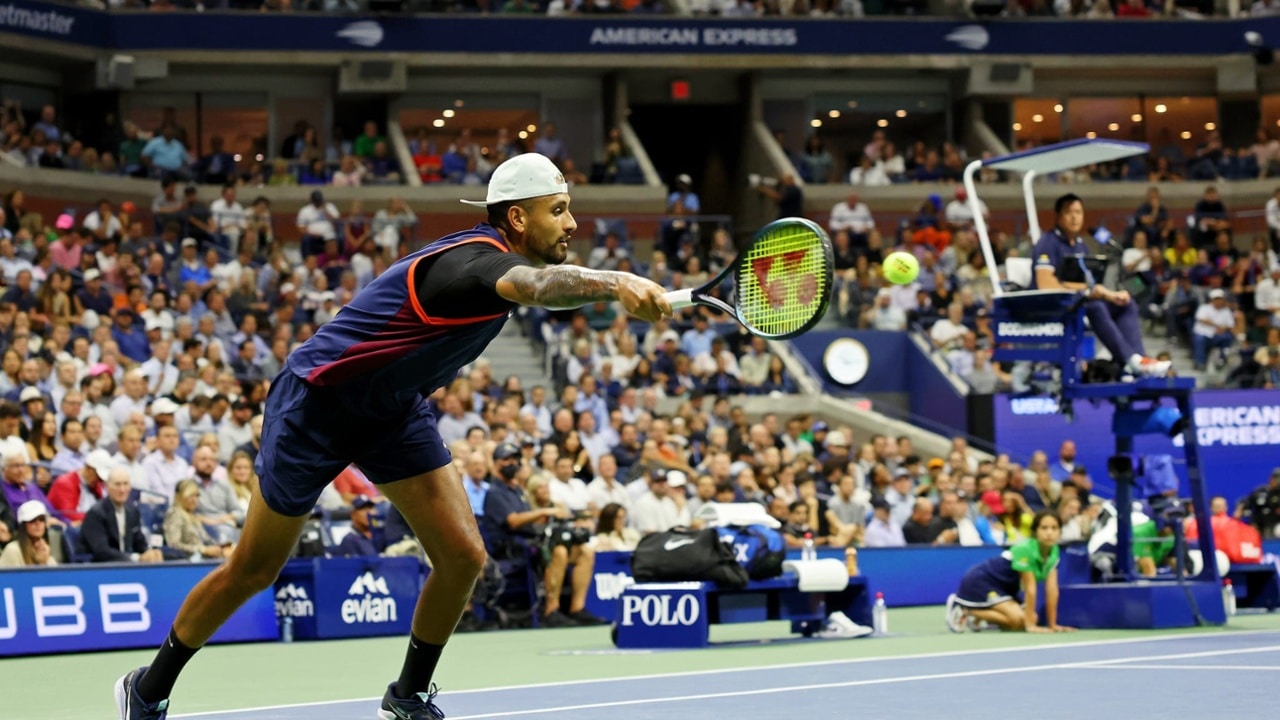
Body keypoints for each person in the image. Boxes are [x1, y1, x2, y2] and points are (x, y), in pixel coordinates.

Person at [115, 152, 672, 720]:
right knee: (255, 569)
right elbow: (538, 286)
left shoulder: (493, 265)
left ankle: (407, 697)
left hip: (392, 411)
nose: (572, 223)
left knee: (462, 556)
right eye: (558, 210)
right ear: (518, 219)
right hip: (318, 406)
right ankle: (149, 686)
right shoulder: (472, 266)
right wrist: (614, 280)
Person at [1031, 193, 1170, 378]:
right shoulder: (1047, 243)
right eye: (1069, 212)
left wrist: (1110, 295)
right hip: (1053, 307)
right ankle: (1130, 360)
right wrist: (1090, 291)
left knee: (1126, 303)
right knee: (1095, 305)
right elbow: (1045, 284)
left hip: (1078, 302)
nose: (1074, 217)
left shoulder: (1081, 246)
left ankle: (1138, 362)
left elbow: (1089, 284)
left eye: (1078, 212)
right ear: (1058, 216)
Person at [945, 510, 1075, 634]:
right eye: (1044, 528)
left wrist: (1053, 625)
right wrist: (1030, 626)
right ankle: (965, 609)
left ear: (1060, 532)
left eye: (1054, 528)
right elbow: (1030, 589)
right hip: (982, 580)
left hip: (1005, 588)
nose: (1049, 533)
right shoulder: (1025, 549)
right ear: (1035, 531)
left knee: (1031, 618)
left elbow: (1052, 590)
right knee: (1020, 620)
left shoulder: (1054, 552)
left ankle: (980, 617)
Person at [0, 500, 58, 567]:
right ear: (23, 525)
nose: (38, 524)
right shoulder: (13, 550)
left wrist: (44, 562)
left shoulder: (44, 549)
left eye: (41, 519)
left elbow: (55, 576)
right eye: (32, 520)